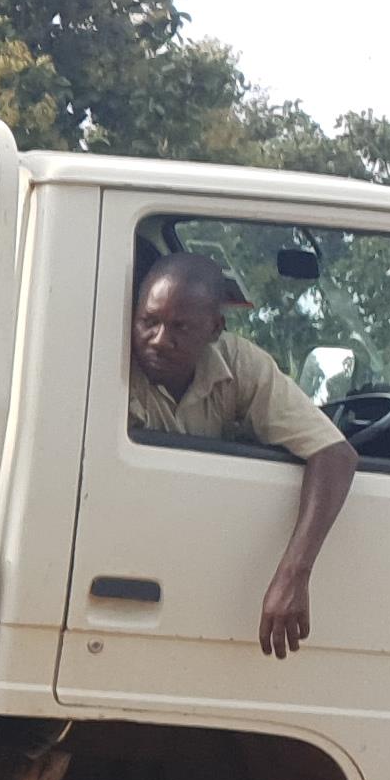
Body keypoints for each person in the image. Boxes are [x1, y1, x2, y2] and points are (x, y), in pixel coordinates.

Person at [129, 252, 357, 658]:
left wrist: (293, 575)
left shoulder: (239, 364)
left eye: (180, 327)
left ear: (215, 328)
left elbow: (334, 453)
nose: (160, 339)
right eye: (149, 321)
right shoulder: (106, 362)